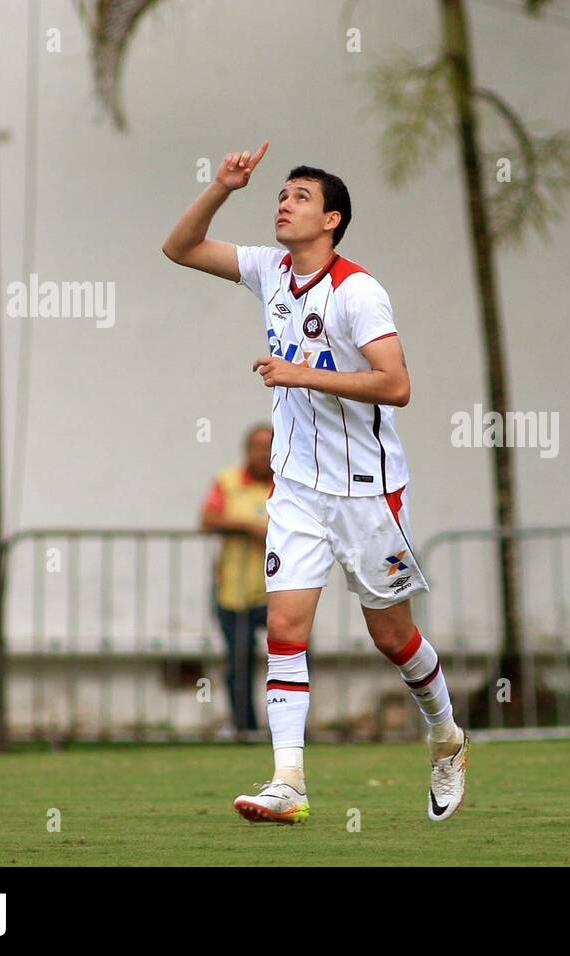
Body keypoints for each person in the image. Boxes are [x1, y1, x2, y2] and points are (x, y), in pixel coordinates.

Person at [163, 143, 469, 824]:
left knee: (392, 637)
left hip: (367, 492)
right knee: (285, 628)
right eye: (281, 193)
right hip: (298, 491)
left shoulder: (359, 291)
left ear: (331, 220)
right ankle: (289, 781)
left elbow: (397, 384)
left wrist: (303, 373)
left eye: (300, 196)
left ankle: (446, 735)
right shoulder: (270, 270)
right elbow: (179, 248)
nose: (284, 202)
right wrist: (220, 186)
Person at [200, 423, 274, 735]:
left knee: (292, 663)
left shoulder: (291, 481)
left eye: (270, 445)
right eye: (258, 446)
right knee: (239, 664)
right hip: (234, 591)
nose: (264, 453)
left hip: (280, 592)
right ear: (247, 451)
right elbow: (207, 519)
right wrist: (250, 528)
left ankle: (290, 734)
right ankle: (246, 731)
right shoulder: (228, 481)